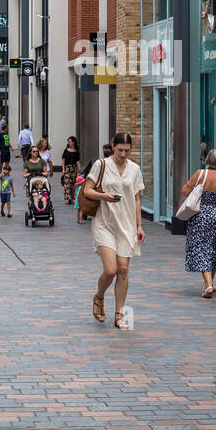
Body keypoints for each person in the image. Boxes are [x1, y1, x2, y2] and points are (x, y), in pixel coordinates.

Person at [84, 133, 145, 330]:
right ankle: (99, 297)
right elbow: (87, 190)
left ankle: (119, 315)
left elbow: (136, 198)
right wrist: (104, 196)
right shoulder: (101, 165)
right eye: (120, 150)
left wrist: (139, 225)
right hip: (104, 222)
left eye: (127, 151)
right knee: (111, 270)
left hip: (126, 225)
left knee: (123, 270)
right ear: (113, 146)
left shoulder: (135, 169)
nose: (123, 154)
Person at [182, 149, 216, 298]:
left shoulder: (199, 174)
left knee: (202, 248)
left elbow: (184, 191)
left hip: (200, 215)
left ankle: (208, 285)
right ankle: (210, 283)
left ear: (207, 160)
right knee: (215, 249)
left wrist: (197, 190)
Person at [61, 137, 81, 204]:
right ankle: (68, 197)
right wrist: (63, 170)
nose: (69, 143)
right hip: (67, 168)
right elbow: (63, 160)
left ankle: (72, 197)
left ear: (73, 142)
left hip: (73, 169)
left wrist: (79, 170)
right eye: (68, 141)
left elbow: (77, 161)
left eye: (70, 141)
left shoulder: (76, 151)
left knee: (72, 183)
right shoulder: (66, 151)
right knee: (67, 183)